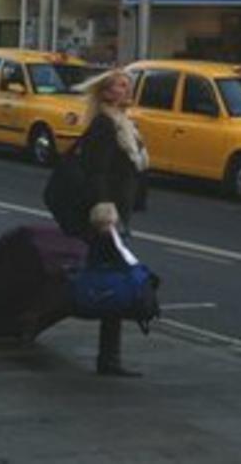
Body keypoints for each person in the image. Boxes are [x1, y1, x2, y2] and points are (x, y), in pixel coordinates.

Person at [78, 69, 149, 377]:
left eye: (127, 85)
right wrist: (105, 213)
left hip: (120, 213)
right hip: (108, 216)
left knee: (108, 279)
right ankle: (109, 359)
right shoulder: (104, 126)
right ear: (106, 93)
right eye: (120, 85)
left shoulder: (123, 123)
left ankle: (109, 357)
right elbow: (97, 172)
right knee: (109, 282)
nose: (126, 89)